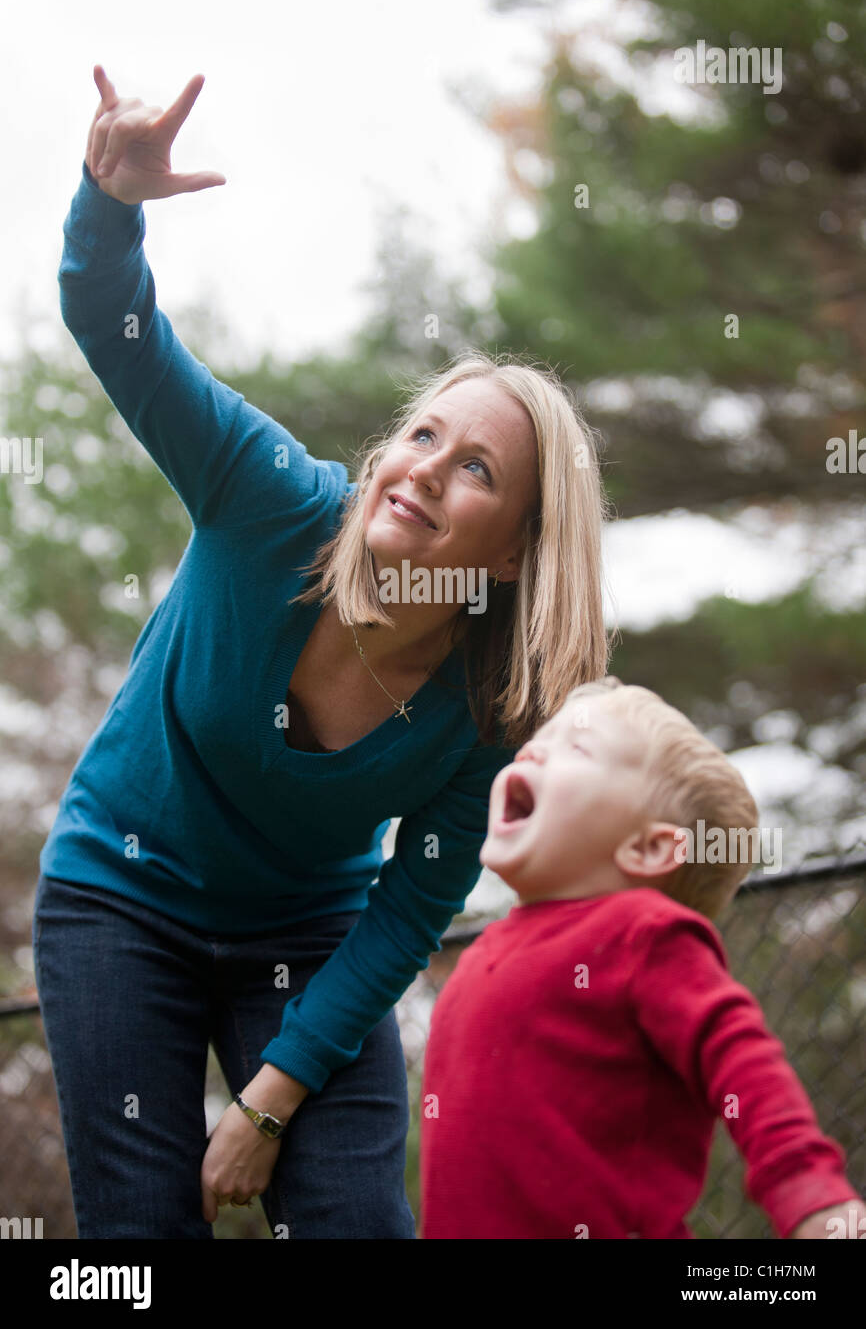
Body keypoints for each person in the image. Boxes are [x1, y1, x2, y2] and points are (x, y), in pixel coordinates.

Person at [32, 66, 612, 1238]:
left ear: (509, 556)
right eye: (423, 434)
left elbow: (409, 908)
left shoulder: (487, 706)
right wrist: (110, 204)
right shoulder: (268, 498)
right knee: (135, 1241)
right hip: (118, 896)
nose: (422, 470)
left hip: (307, 936)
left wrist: (271, 1094)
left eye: (477, 471)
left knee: (352, 1222)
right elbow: (118, 332)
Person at [420, 676, 866, 1239]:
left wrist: (811, 1196)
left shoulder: (641, 935)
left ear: (648, 847)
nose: (532, 749)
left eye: (575, 749)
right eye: (543, 738)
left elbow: (738, 1056)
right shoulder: (483, 951)